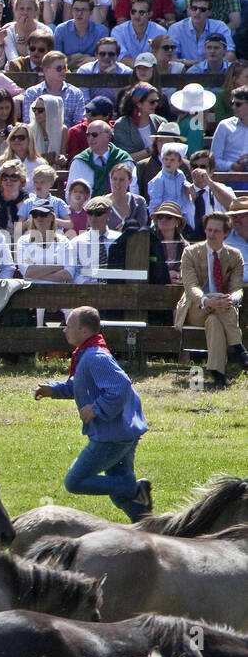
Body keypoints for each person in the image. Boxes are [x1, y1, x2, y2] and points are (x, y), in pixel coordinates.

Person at [34, 305, 152, 520]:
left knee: (75, 481)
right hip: (121, 432)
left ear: (84, 331)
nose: (64, 329)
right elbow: (81, 387)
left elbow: (121, 386)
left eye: (69, 325)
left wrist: (97, 409)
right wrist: (53, 390)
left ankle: (132, 487)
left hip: (112, 436)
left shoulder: (94, 356)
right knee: (118, 493)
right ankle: (149, 526)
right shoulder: (88, 353)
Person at [174, 210, 248, 390]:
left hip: (222, 308)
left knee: (214, 321)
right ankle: (240, 349)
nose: (211, 234)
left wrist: (233, 298)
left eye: (216, 231)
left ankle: (218, 374)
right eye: (208, 230)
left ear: (225, 233)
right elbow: (190, 287)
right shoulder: (190, 252)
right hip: (196, 307)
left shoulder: (235, 255)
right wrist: (207, 300)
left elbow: (237, 288)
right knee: (217, 299)